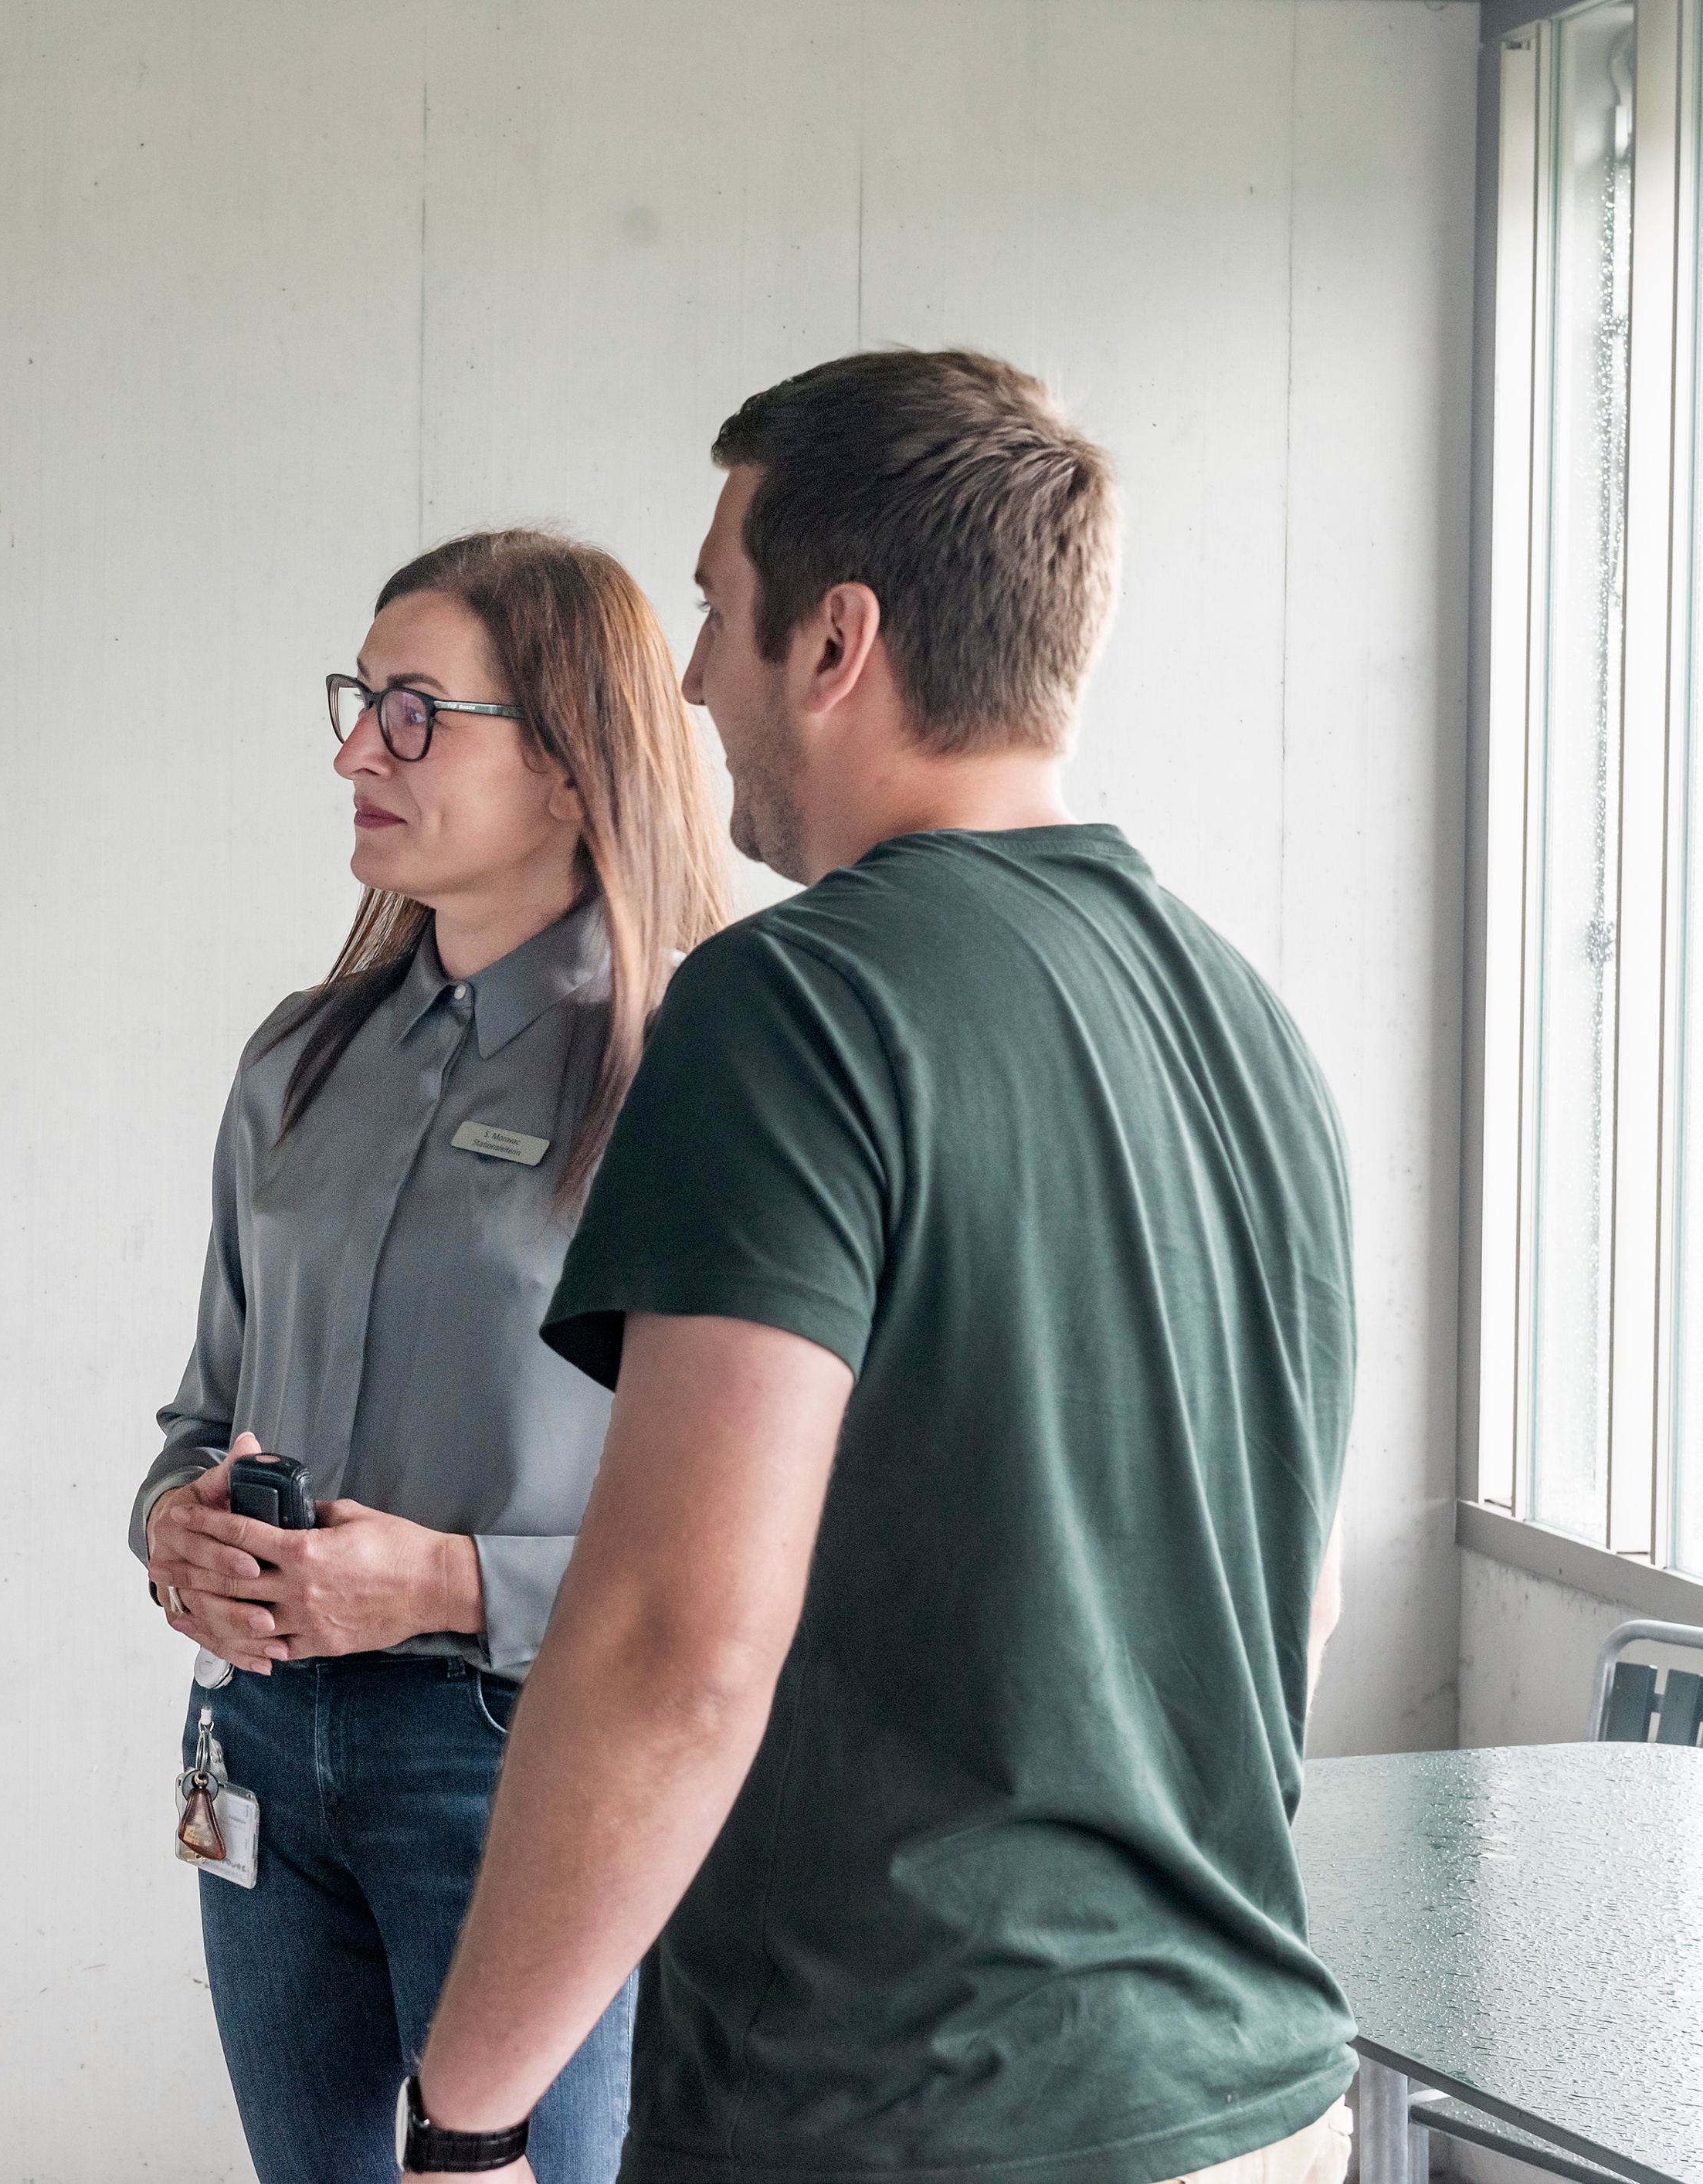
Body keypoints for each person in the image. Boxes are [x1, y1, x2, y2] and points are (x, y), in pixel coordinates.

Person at [396, 350, 1355, 2184]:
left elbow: (676, 1639)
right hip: (1248, 2097)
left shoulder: (795, 1000)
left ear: (831, 644)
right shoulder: (1249, 1027)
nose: (686, 672)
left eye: (710, 600)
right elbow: (1285, 1606)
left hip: (907, 2121)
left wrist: (468, 2118)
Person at [133, 529, 734, 2184]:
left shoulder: (688, 1075)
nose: (352, 751)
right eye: (357, 702)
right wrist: (170, 1524)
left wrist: (449, 1585)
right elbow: (198, 1413)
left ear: (562, 758)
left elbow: (756, 1561)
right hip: (257, 1748)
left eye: (411, 713)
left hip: (524, 1772)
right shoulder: (295, 1064)